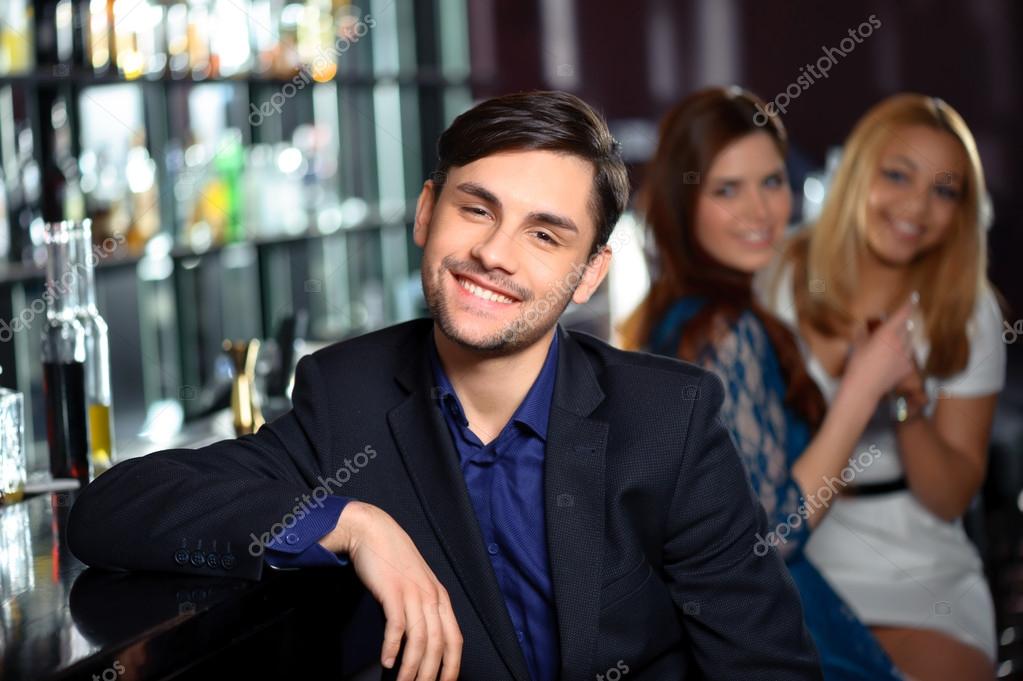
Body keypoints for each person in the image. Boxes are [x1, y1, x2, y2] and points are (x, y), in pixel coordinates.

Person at [67, 91, 822, 681]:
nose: (492, 253)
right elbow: (110, 510)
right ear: (428, 212)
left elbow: (765, 664)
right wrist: (353, 521)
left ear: (590, 272)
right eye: (476, 208)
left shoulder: (667, 417)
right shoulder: (347, 397)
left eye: (543, 233)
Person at [620, 86, 907, 681]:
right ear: (684, 202)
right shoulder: (722, 331)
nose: (760, 211)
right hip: (778, 632)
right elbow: (771, 534)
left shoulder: (683, 315)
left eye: (772, 182)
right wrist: (862, 388)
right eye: (728, 189)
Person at [764, 93, 1004, 681]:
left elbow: (948, 500)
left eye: (944, 191)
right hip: (794, 549)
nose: (916, 207)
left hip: (916, 559)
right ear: (857, 173)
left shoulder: (970, 311)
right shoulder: (780, 276)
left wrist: (908, 405)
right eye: (897, 175)